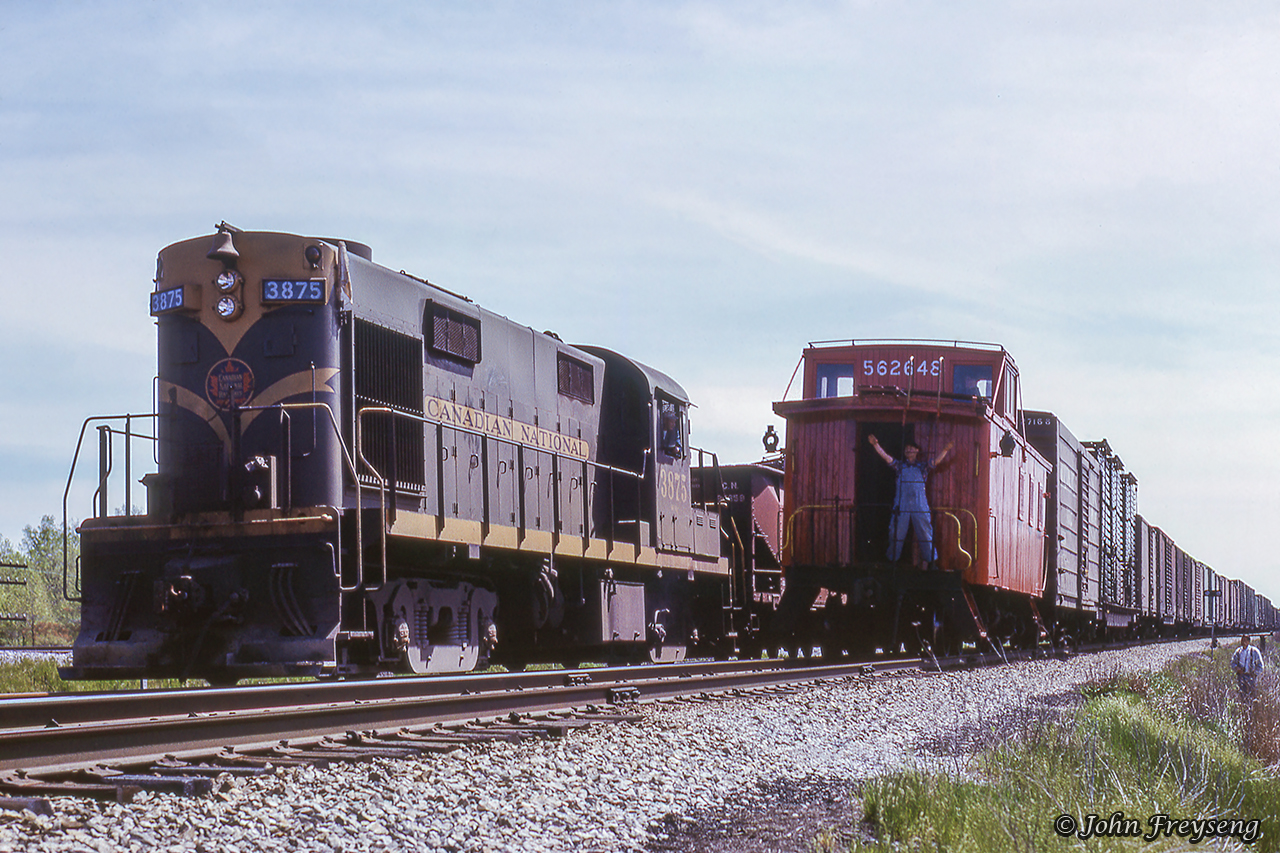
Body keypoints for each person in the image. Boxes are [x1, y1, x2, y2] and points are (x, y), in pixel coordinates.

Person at [869, 435, 954, 566]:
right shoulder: (899, 466)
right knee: (896, 532)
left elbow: (936, 462)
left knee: (925, 532)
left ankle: (931, 562)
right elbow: (886, 457)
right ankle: (892, 561)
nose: (909, 450)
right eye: (907, 448)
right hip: (901, 505)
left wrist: (945, 450)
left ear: (917, 451)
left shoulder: (923, 467)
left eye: (911, 448)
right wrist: (876, 445)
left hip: (919, 505)